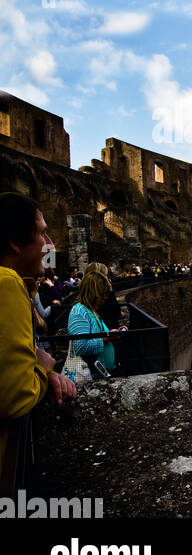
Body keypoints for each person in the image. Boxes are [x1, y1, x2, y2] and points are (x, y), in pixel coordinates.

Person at [0, 193, 76, 494]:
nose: (50, 242)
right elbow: (14, 398)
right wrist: (44, 368)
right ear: (17, 243)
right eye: (42, 232)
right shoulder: (6, 283)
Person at [65, 265, 124, 381]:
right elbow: (81, 347)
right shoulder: (79, 311)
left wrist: (110, 333)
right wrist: (105, 339)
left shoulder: (91, 310)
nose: (105, 297)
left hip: (97, 373)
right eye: (103, 294)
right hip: (87, 376)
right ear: (95, 292)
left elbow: (97, 335)